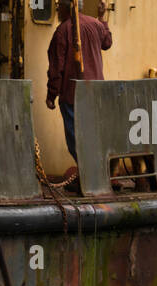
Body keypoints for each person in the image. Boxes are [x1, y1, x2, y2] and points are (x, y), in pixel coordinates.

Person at [46, 1, 112, 164]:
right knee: (93, 137)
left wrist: (51, 95)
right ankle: (98, 176)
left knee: (76, 141)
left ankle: (88, 178)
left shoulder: (62, 31)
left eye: (58, 6)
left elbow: (57, 69)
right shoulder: (95, 24)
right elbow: (107, 43)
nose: (57, 10)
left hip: (72, 95)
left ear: (66, 8)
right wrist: (102, 18)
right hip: (95, 92)